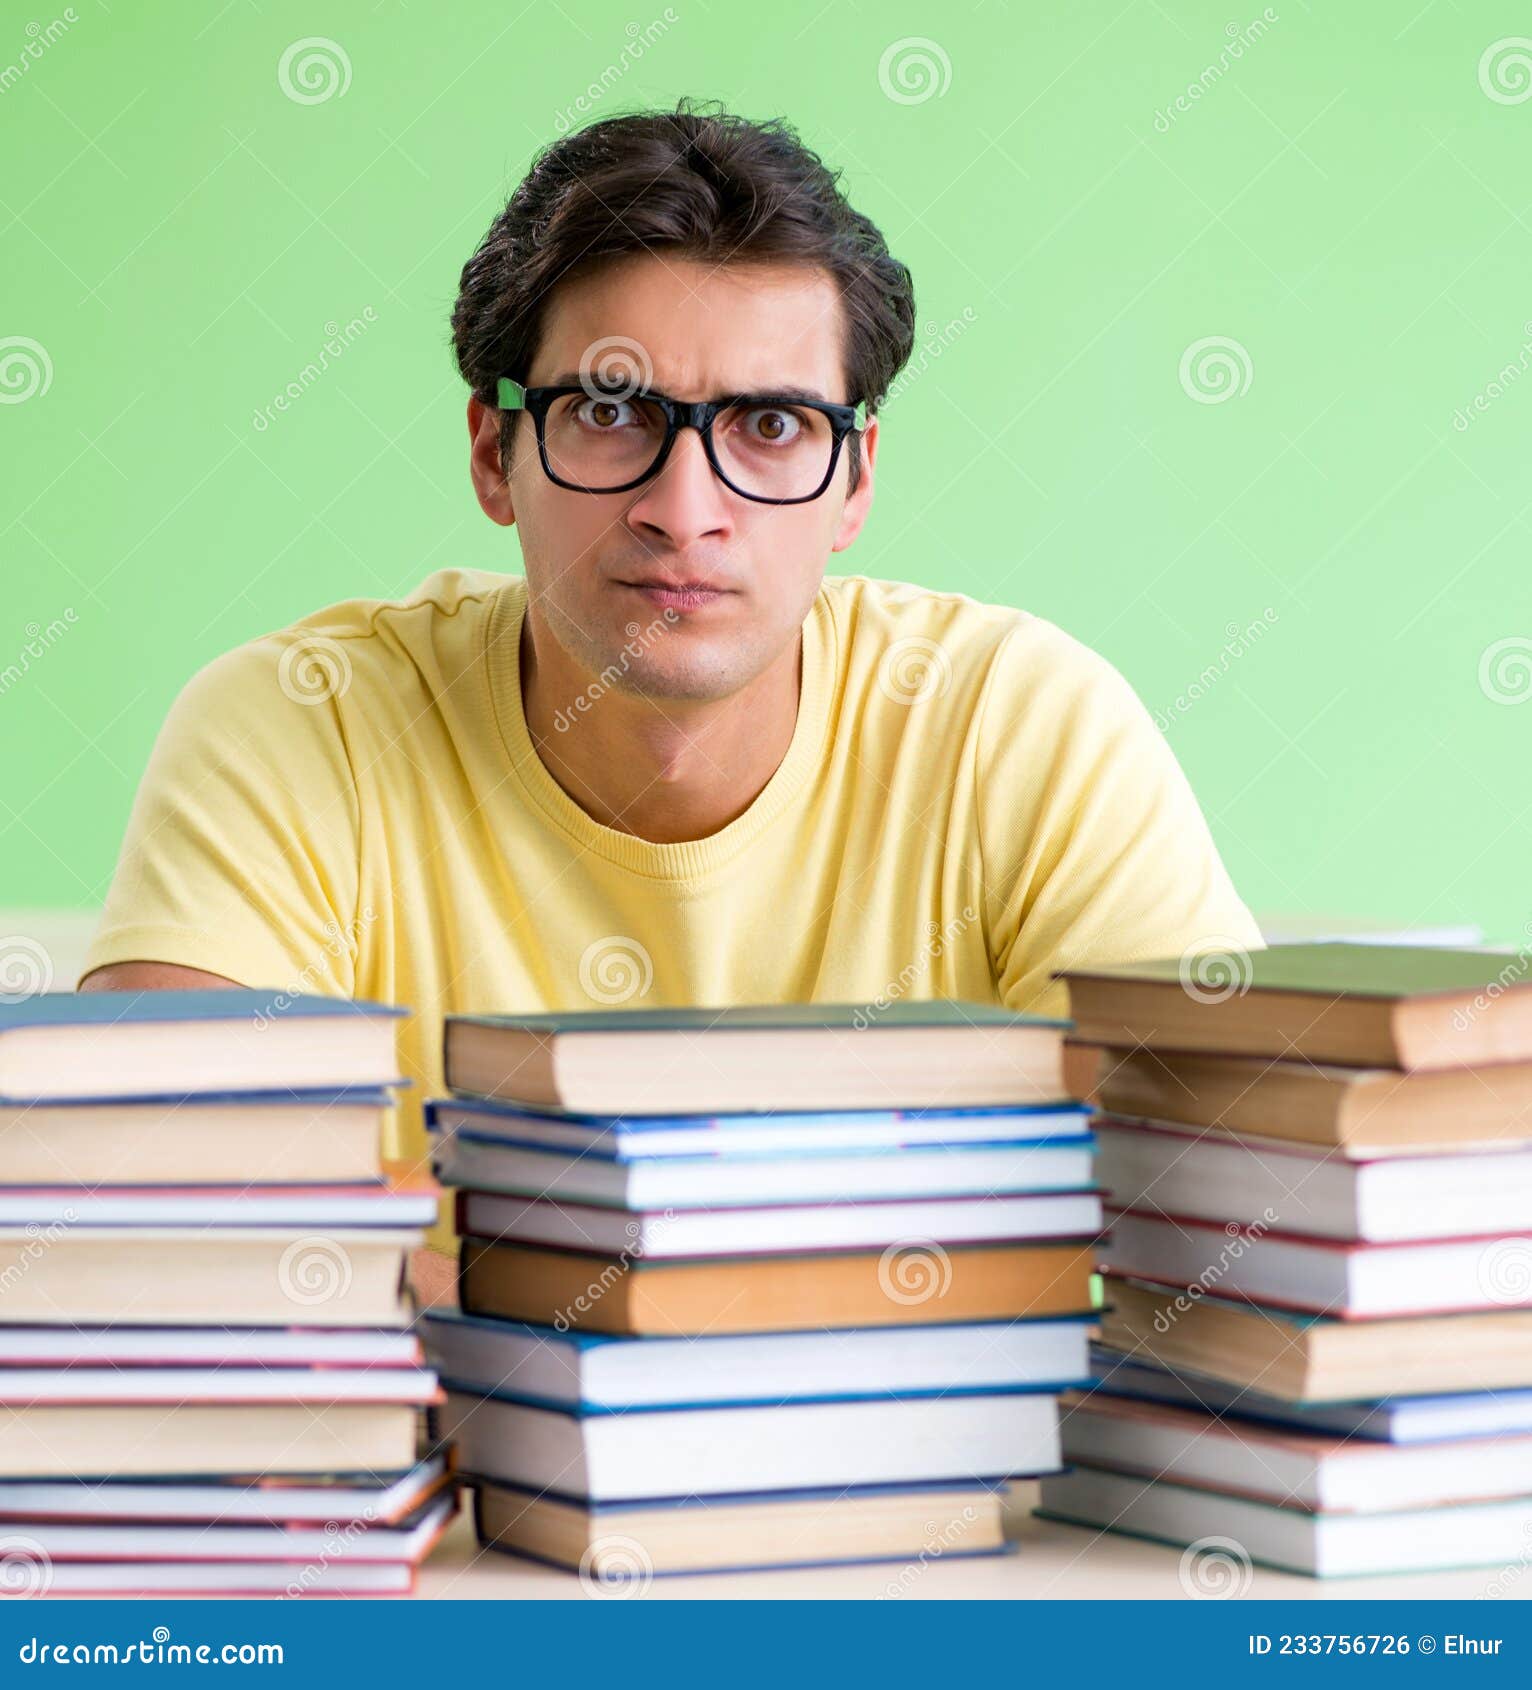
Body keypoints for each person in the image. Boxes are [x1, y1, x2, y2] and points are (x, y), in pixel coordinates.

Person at [80, 100, 1263, 1271]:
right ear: (496, 453)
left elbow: (1228, 1211)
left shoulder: (1022, 727)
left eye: (768, 425)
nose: (685, 510)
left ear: (853, 481)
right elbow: (165, 1241)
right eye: (608, 411)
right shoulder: (302, 727)